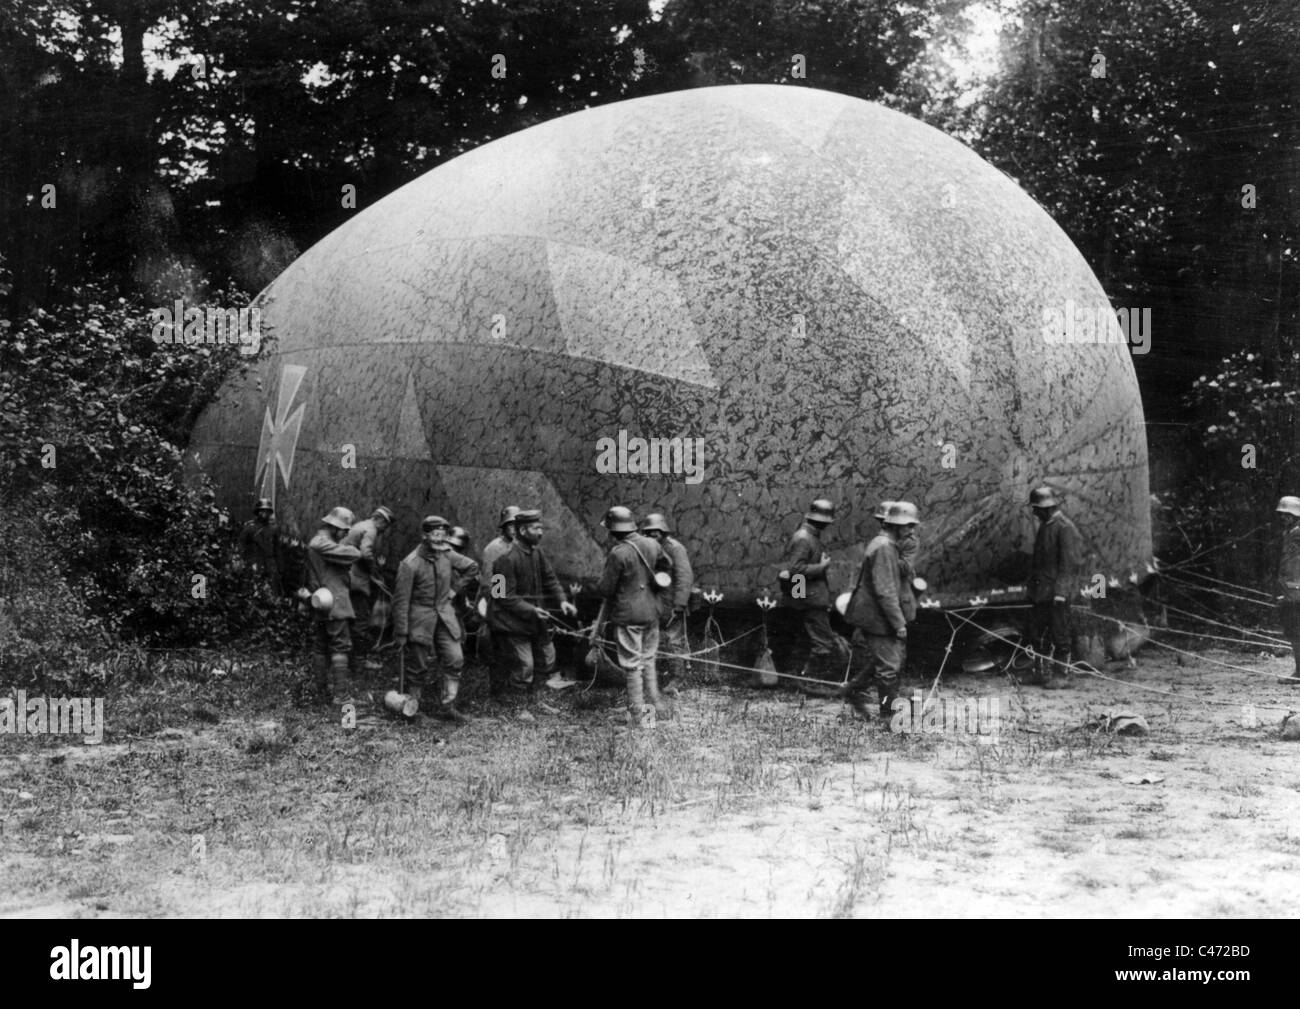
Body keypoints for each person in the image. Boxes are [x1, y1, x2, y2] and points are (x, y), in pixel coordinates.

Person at [487, 509, 577, 720]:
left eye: (541, 528)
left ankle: (535, 701)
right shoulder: (504, 560)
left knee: (547, 658)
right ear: (523, 530)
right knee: (525, 666)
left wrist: (563, 601)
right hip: (512, 624)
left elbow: (550, 579)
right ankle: (517, 707)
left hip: (535, 621)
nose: (541, 532)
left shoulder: (537, 553)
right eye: (536, 528)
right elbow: (500, 596)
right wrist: (530, 609)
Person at [392, 516, 481, 722]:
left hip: (445, 616)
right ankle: (413, 711)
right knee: (418, 666)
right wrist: (402, 633)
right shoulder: (410, 563)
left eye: (443, 534)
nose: (439, 539)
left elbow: (472, 567)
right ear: (424, 536)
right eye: (435, 534)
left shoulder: (447, 555)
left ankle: (447, 707)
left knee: (455, 658)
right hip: (419, 619)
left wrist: (454, 590)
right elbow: (401, 602)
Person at [841, 501, 919, 720]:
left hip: (876, 614)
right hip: (878, 616)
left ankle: (853, 690)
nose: (912, 530)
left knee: (882, 659)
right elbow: (885, 590)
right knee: (889, 666)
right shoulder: (884, 547)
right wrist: (899, 623)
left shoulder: (886, 544)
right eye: (908, 526)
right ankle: (888, 716)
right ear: (895, 525)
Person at [598, 506, 668, 726]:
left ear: (613, 530)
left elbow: (606, 589)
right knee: (648, 660)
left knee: (632, 664)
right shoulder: (652, 544)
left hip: (628, 616)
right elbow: (667, 566)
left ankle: (639, 715)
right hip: (651, 612)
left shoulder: (619, 553)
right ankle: (656, 706)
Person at [781, 497, 850, 687]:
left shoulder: (808, 537)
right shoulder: (804, 538)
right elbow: (796, 570)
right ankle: (809, 682)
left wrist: (800, 599)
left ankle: (807, 680)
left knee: (818, 642)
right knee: (823, 644)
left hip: (810, 599)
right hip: (812, 601)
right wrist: (821, 567)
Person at [1027, 485, 1082, 688]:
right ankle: (1041, 672)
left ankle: (1062, 675)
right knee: (1038, 633)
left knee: (1060, 634)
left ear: (1046, 507)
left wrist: (1061, 592)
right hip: (1041, 593)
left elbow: (1069, 564)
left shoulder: (1064, 527)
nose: (1034, 512)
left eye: (1036, 508)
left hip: (1057, 593)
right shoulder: (1046, 526)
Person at [306, 506, 362, 705]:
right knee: (340, 646)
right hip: (335, 602)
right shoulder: (322, 543)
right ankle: (341, 695)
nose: (346, 534)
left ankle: (321, 692)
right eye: (344, 530)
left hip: (324, 600)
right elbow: (353, 555)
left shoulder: (322, 542)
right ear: (335, 527)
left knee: (321, 646)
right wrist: (354, 548)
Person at [639, 513, 694, 691]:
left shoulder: (675, 548)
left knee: (675, 641)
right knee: (648, 640)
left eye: (655, 533)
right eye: (647, 533)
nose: (651, 536)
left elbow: (684, 578)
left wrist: (679, 605)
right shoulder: (645, 549)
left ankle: (678, 679)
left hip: (671, 604)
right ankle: (648, 678)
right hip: (651, 602)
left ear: (663, 532)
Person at [342, 505, 394, 675]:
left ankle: (346, 656)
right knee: (361, 619)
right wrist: (374, 571)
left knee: (349, 617)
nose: (385, 529)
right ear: (380, 520)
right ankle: (358, 661)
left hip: (346, 576)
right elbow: (365, 552)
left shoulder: (361, 525)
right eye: (385, 525)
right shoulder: (371, 530)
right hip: (356, 579)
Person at [478, 506, 520, 690]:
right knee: (499, 647)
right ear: (504, 526)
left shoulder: (520, 546)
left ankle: (513, 685)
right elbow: (491, 582)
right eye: (511, 525)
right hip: (500, 604)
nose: (514, 529)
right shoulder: (495, 548)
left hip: (517, 602)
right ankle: (498, 689)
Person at [237, 498, 285, 595]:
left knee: (273, 591)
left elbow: (277, 549)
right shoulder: (249, 528)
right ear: (257, 511)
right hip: (255, 562)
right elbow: (241, 545)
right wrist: (247, 561)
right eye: (262, 511)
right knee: (253, 591)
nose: (264, 513)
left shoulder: (273, 528)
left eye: (267, 511)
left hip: (270, 563)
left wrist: (280, 568)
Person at [1276, 496, 1300, 678]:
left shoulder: (1297, 533)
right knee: (1293, 630)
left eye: (1286, 514)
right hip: (1290, 589)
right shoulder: (1290, 532)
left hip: (1296, 590)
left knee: (1295, 629)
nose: (1283, 518)